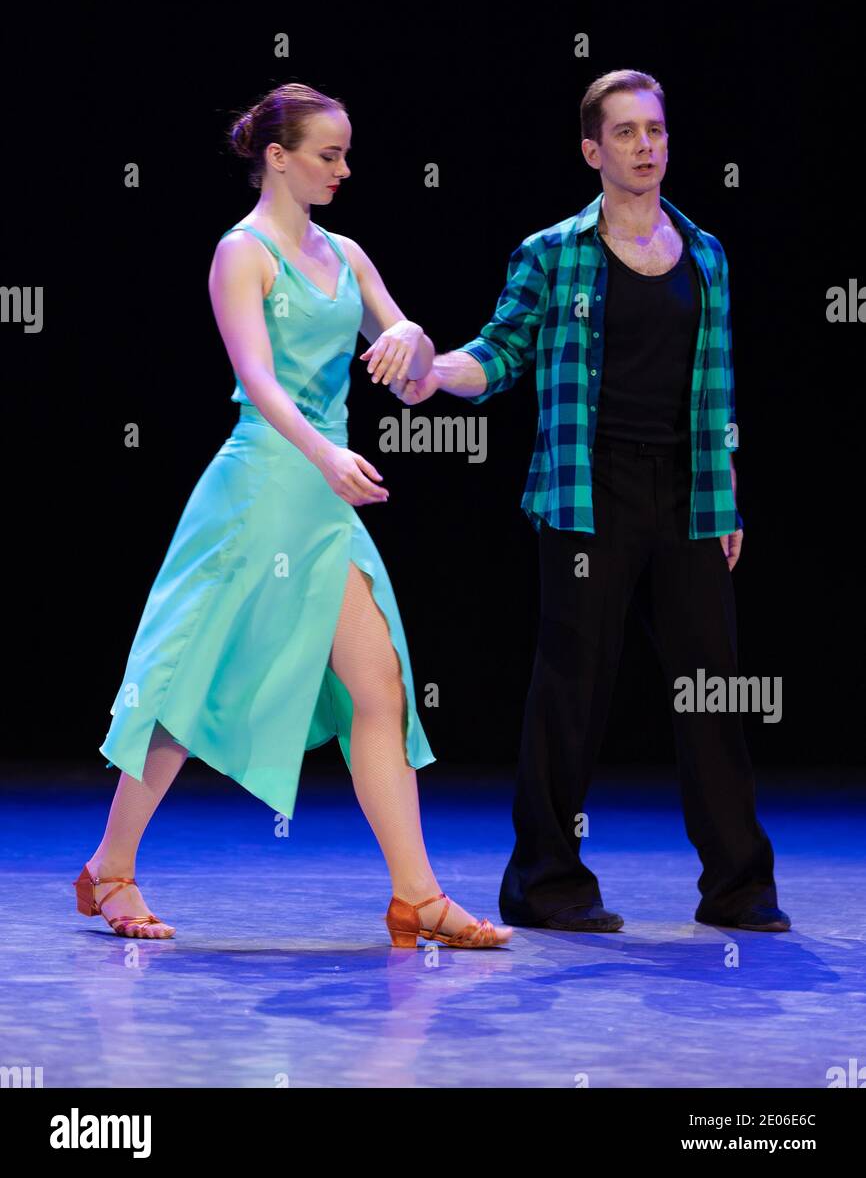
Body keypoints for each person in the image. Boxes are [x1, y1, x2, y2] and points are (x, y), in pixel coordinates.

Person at [75, 81, 512, 949]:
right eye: (328, 154)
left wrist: (414, 338)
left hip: (324, 502)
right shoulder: (242, 252)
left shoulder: (347, 255)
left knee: (378, 689)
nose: (344, 169)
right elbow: (259, 381)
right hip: (261, 494)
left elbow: (416, 374)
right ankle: (108, 870)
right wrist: (323, 454)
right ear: (277, 158)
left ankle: (417, 896)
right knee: (187, 683)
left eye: (346, 153)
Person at [391, 69, 790, 933]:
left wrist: (725, 501)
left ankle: (738, 885)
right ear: (591, 150)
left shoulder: (707, 253)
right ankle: (546, 882)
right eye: (626, 133)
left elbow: (718, 395)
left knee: (710, 689)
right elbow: (498, 354)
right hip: (588, 488)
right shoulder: (553, 253)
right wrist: (434, 375)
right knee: (573, 687)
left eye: (656, 130)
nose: (646, 146)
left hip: (685, 493)